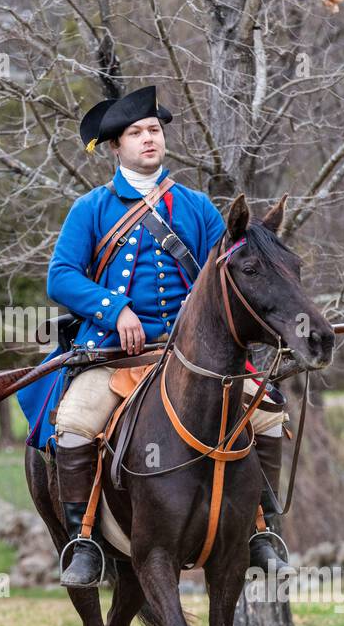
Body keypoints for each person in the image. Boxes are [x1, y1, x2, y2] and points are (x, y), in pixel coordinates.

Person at [17, 86, 291, 587]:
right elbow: (60, 276)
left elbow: (228, 275)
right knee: (75, 423)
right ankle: (83, 541)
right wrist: (114, 307)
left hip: (194, 360)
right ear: (115, 148)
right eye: (136, 133)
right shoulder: (92, 209)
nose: (149, 139)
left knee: (269, 415)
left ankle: (261, 531)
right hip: (115, 357)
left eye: (155, 131)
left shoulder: (197, 207)